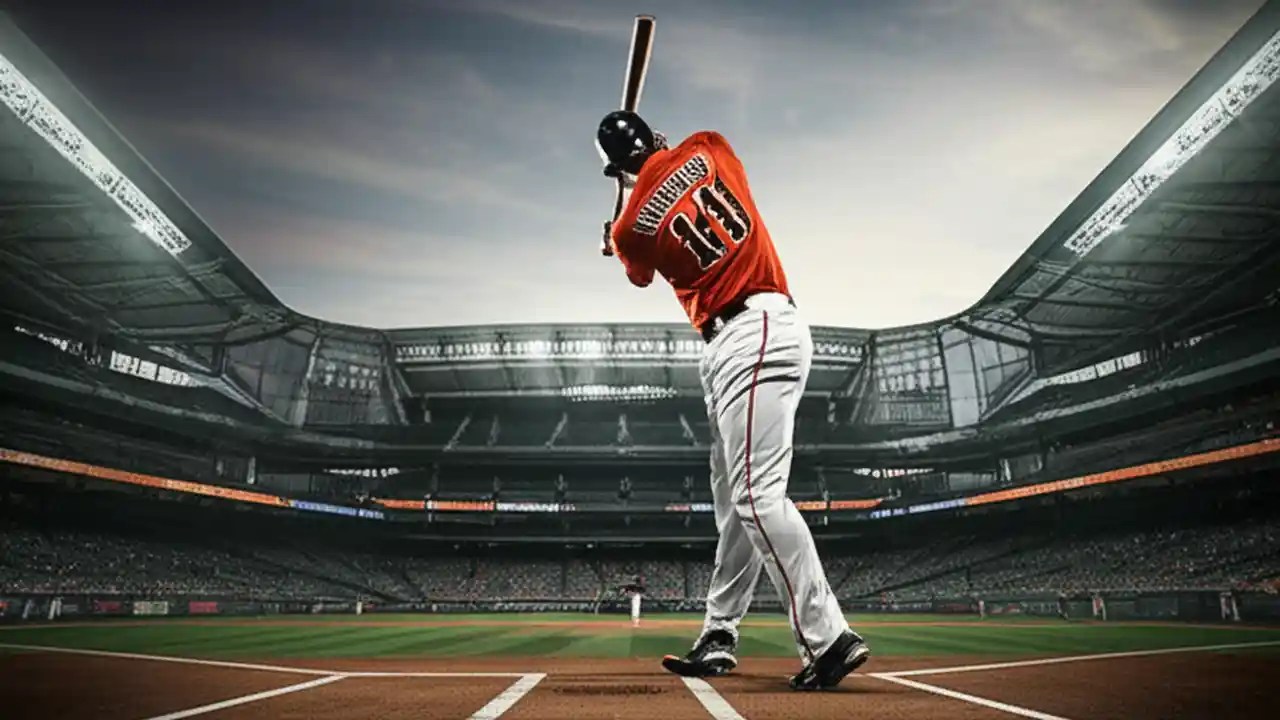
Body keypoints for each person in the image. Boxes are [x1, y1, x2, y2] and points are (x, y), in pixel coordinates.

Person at [595, 110, 870, 691]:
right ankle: (719, 634)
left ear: (616, 165)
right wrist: (638, 176)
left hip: (748, 333)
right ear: (655, 137)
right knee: (735, 503)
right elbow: (676, 182)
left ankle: (829, 638)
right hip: (750, 334)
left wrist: (620, 202)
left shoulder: (628, 229)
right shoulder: (707, 145)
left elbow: (635, 267)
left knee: (755, 496)